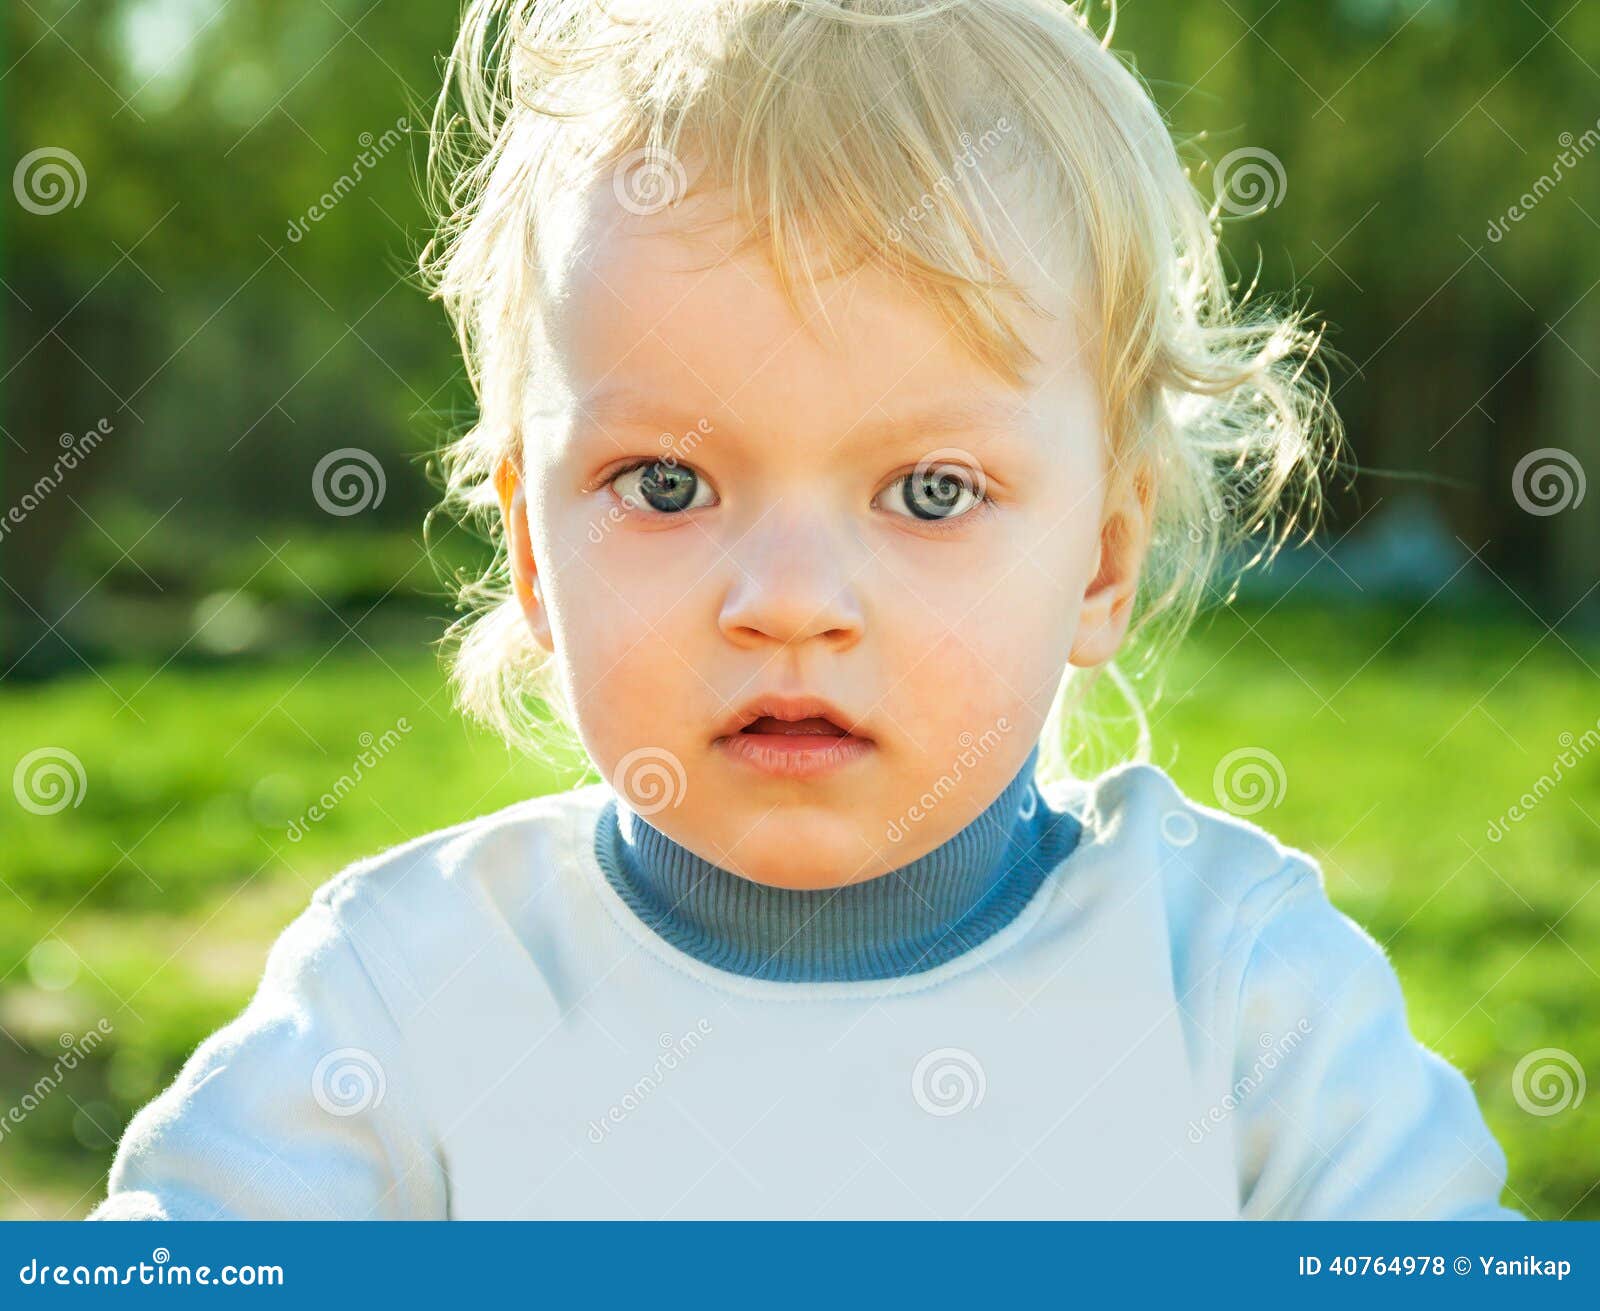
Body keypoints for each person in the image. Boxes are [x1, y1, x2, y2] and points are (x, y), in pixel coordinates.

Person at [90, 0, 1521, 1220]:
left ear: (1099, 559)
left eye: (931, 492)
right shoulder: (412, 1000)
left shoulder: (1239, 999)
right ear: (532, 554)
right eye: (665, 483)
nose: (787, 604)